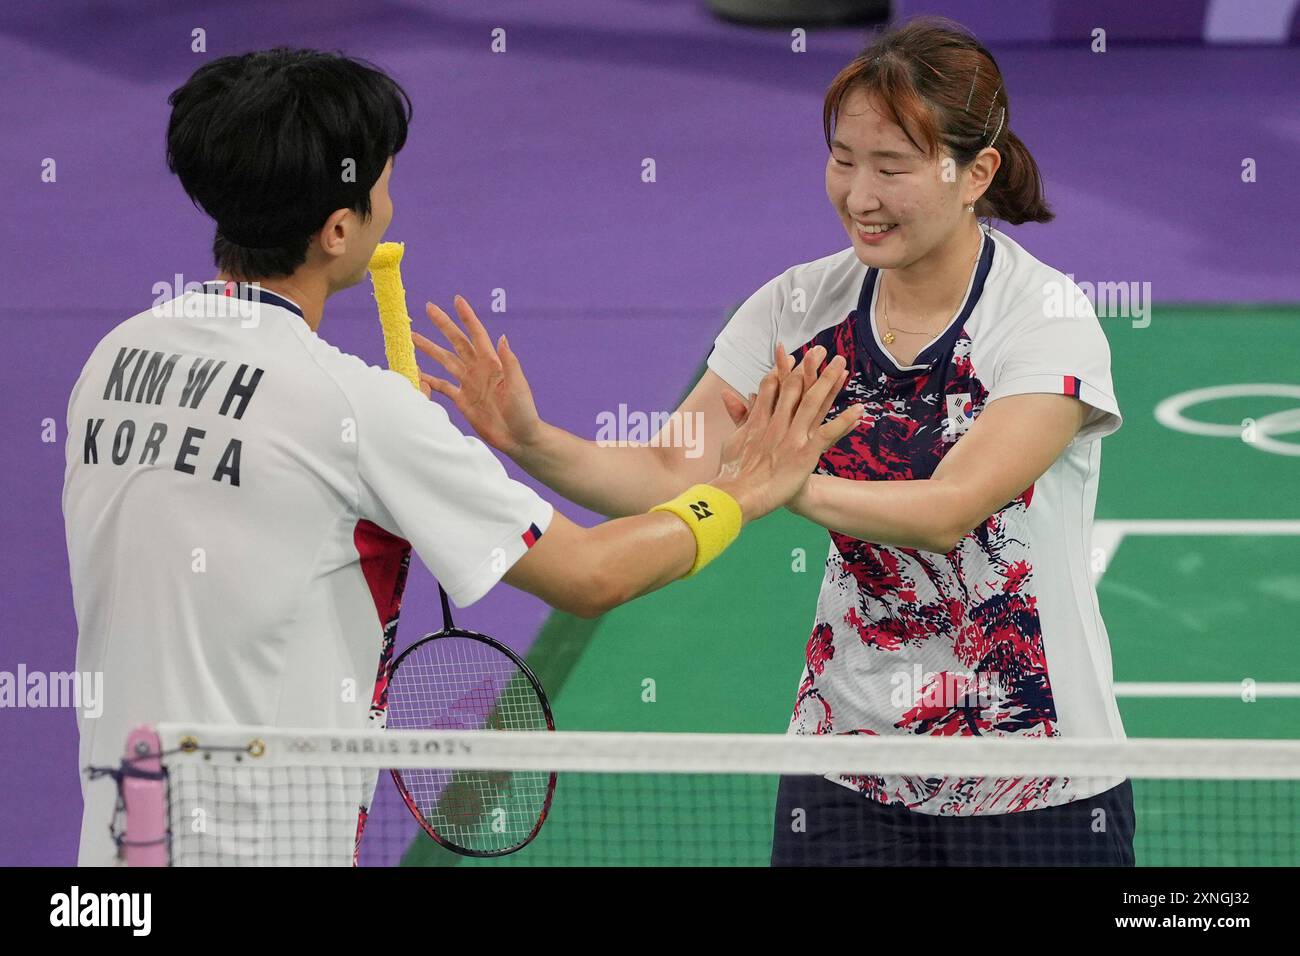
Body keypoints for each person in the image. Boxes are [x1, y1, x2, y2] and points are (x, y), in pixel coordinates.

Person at [63, 48, 859, 866]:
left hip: (118, 852)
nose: (391, 203)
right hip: (262, 842)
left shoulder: (115, 359)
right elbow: (590, 576)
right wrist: (741, 492)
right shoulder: (354, 408)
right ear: (340, 230)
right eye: (382, 187)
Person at [416, 18, 1135, 866]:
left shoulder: (1042, 318)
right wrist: (533, 441)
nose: (859, 195)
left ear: (975, 173)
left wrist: (777, 482)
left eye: (892, 168)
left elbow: (951, 509)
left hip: (1035, 772)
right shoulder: (798, 310)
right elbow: (663, 468)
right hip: (846, 763)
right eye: (843, 159)